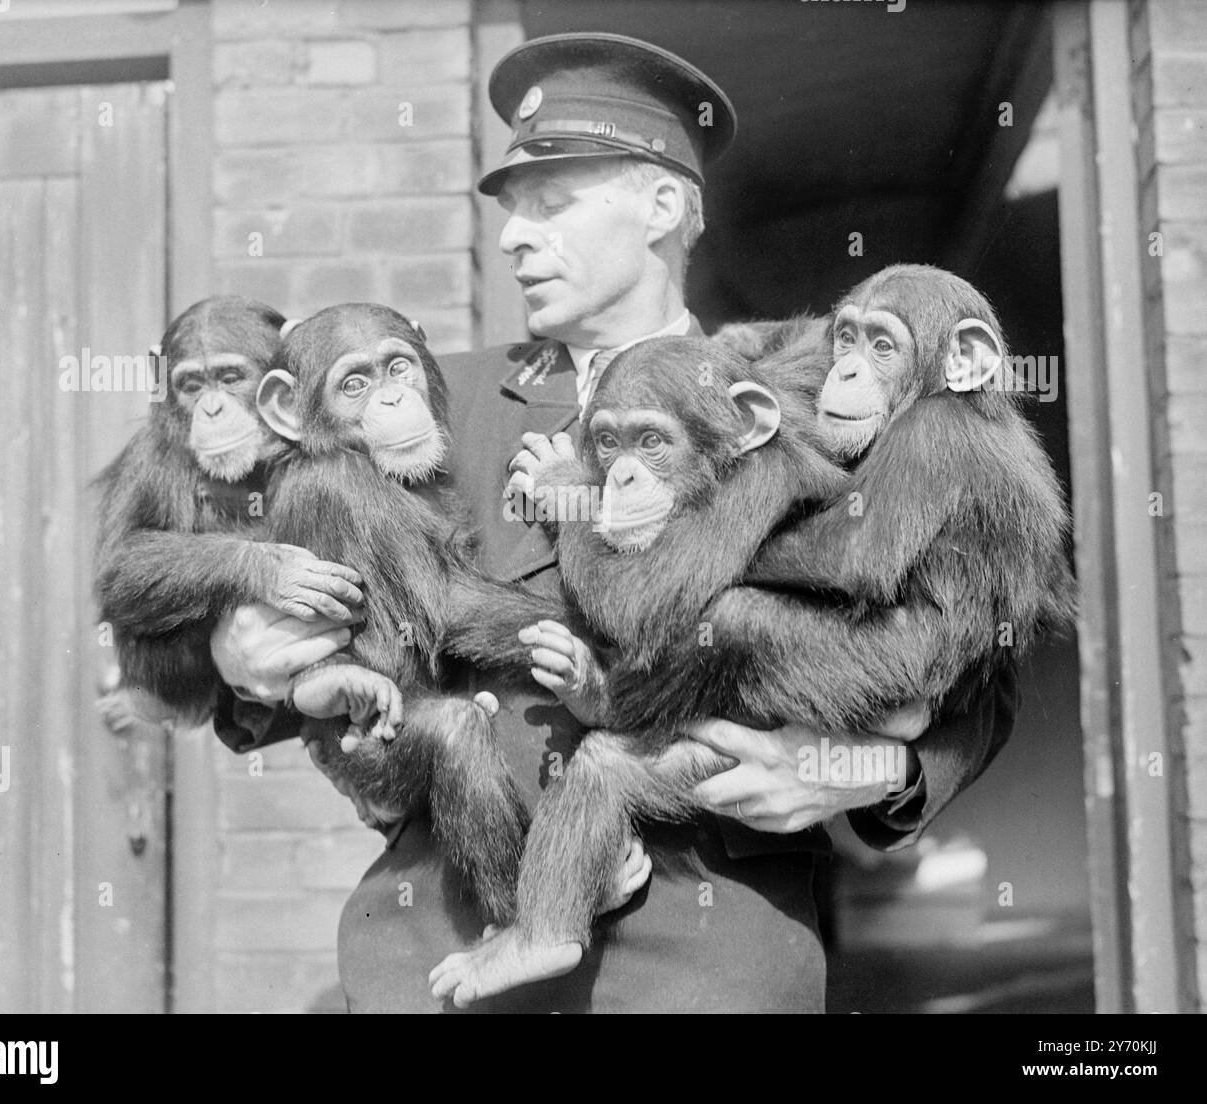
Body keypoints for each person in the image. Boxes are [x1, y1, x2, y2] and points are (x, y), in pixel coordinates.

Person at [209, 32, 1018, 1013]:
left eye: (552, 203)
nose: (514, 236)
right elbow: (275, 578)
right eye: (511, 211)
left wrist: (861, 767)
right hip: (449, 937)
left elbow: (968, 645)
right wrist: (243, 652)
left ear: (665, 206)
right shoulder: (424, 402)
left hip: (706, 947)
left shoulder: (800, 399)